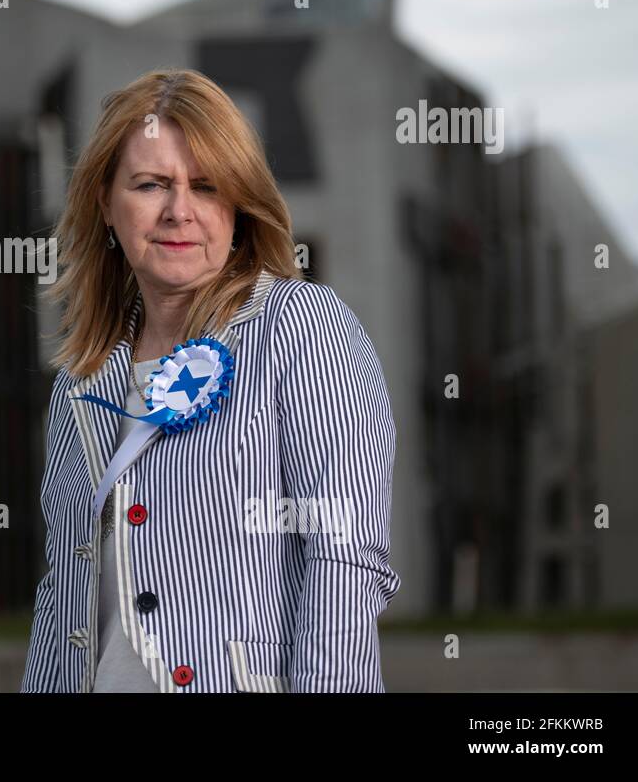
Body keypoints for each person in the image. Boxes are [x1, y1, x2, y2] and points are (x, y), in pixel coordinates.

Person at [20, 68, 400, 693]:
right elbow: (61, 596)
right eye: (150, 185)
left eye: (205, 186)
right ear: (106, 205)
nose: (180, 211)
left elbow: (343, 558)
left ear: (239, 206)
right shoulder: (79, 385)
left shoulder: (300, 326)